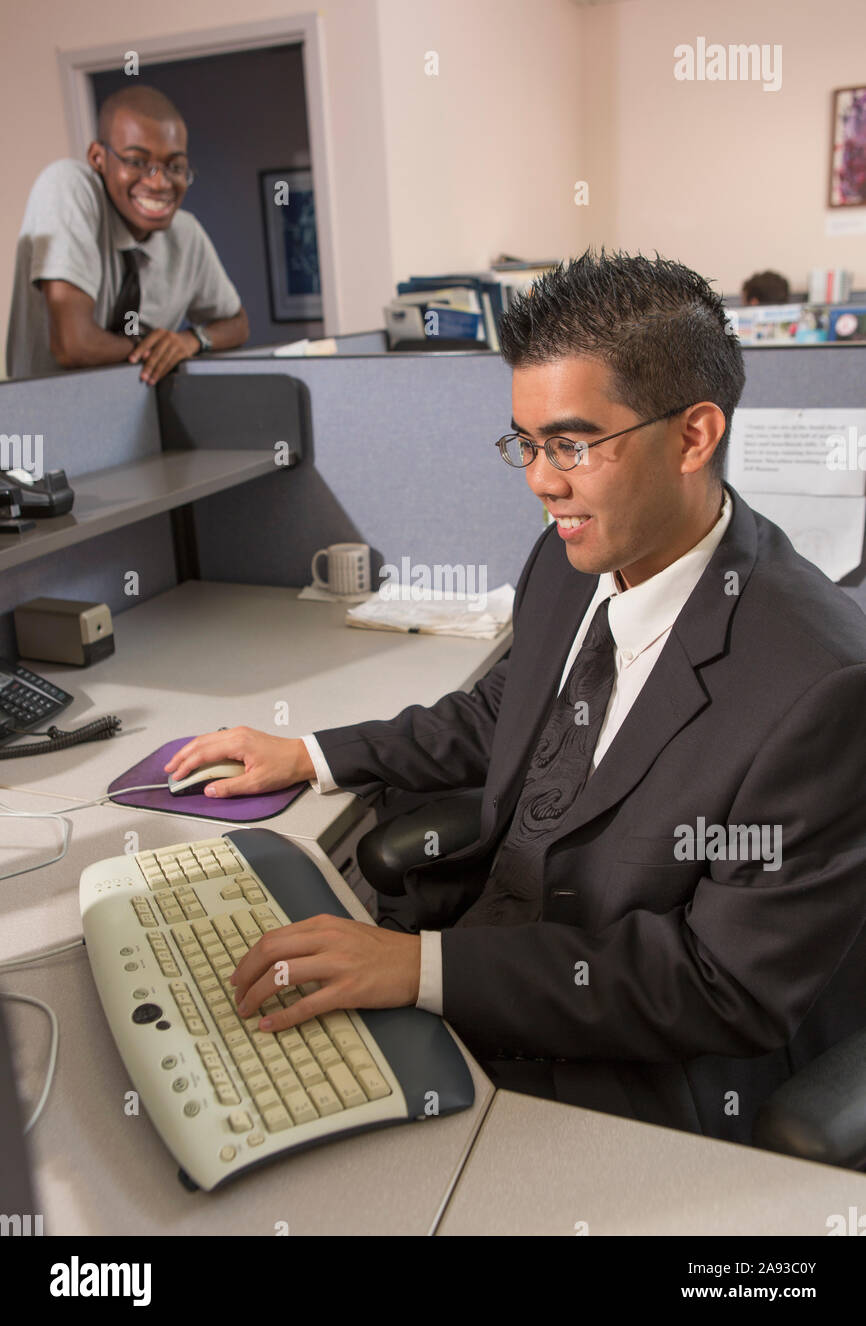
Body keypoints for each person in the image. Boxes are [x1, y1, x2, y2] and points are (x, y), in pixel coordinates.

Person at [164, 250, 866, 1147]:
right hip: (486, 963)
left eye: (572, 444)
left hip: (632, 1073)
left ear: (694, 437)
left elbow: (719, 985)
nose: (540, 481)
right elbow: (504, 714)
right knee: (232, 1072)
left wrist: (423, 969)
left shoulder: (818, 686)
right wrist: (311, 754)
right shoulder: (579, 553)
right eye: (526, 444)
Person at [6, 85, 248, 381]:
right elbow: (72, 346)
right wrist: (150, 348)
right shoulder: (68, 186)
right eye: (136, 162)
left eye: (175, 166)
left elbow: (237, 324)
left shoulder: (186, 234)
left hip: (137, 418)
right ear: (97, 158)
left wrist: (189, 341)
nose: (159, 183)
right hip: (49, 417)